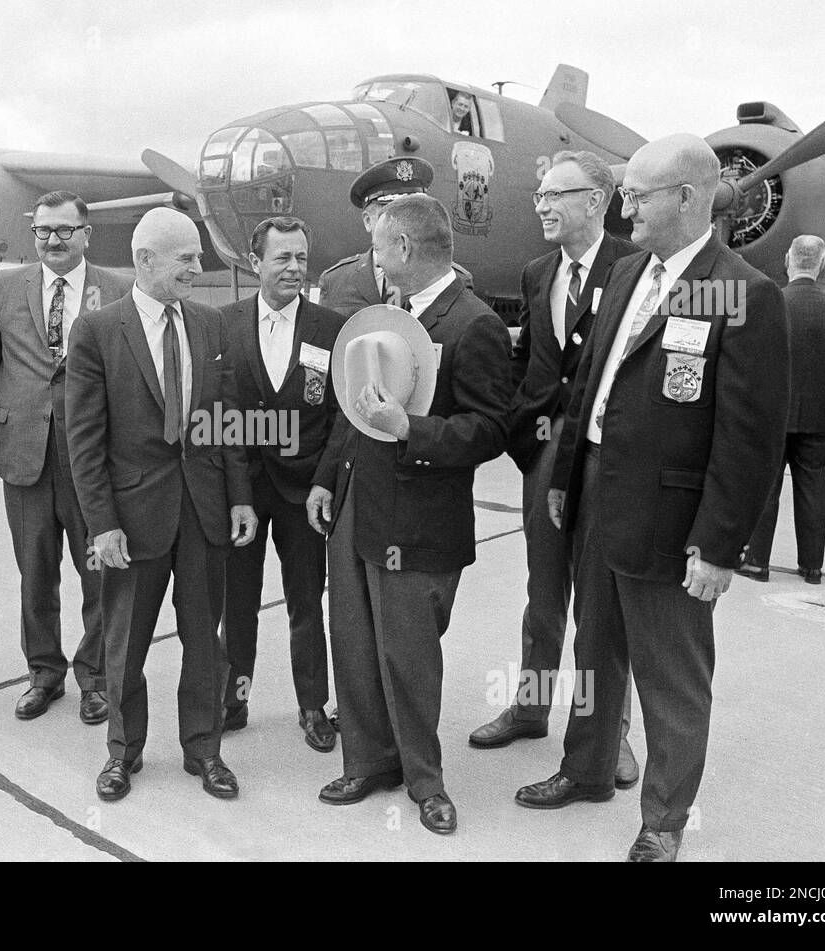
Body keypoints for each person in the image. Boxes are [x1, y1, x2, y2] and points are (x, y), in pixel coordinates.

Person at [517, 135, 789, 862]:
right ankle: (587, 767)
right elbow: (589, 392)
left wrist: (720, 544)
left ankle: (664, 820)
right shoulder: (629, 271)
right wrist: (567, 482)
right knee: (593, 647)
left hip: (675, 518)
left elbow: (750, 440)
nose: (625, 207)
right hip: (600, 489)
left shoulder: (740, 292)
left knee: (670, 675)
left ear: (690, 199)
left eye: (639, 195)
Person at [308, 194, 512, 835]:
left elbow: (490, 430)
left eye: (379, 245)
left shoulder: (471, 322)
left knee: (409, 656)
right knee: (355, 642)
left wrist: (411, 430)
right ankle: (369, 762)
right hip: (356, 506)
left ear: (402, 249)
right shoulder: (390, 316)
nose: (374, 257)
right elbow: (353, 408)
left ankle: (426, 781)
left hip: (420, 518)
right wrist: (324, 480)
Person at [66, 208, 257, 802]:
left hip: (203, 514)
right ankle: (124, 753)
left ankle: (204, 750)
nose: (199, 269)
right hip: (132, 518)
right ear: (145, 260)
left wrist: (241, 499)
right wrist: (102, 525)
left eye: (198, 258)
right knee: (125, 643)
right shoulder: (98, 330)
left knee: (206, 641)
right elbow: (85, 440)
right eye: (188, 258)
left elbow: (223, 422)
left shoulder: (208, 325)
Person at [470, 150, 640, 789]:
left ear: (595, 200)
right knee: (543, 597)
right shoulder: (538, 271)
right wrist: (525, 436)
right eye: (538, 195)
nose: (540, 205)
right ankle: (531, 706)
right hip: (546, 454)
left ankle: (609, 730)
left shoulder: (634, 266)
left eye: (554, 194)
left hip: (605, 460)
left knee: (602, 609)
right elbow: (532, 359)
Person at [0, 191, 131, 724]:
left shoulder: (119, 290)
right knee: (35, 572)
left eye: (64, 230)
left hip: (95, 459)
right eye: (43, 231)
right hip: (25, 455)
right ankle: (43, 674)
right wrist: (23, 404)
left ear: (87, 234)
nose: (53, 240)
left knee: (98, 573)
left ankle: (96, 678)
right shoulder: (5, 287)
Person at [218, 216, 345, 752]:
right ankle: (232, 697)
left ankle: (313, 705)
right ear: (255, 263)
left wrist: (323, 482)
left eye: (301, 257)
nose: (294, 268)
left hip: (304, 493)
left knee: (305, 602)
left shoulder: (331, 328)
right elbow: (218, 415)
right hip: (243, 491)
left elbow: (341, 417)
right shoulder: (220, 325)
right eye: (282, 258)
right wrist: (237, 494)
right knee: (237, 601)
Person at [738, 236, 825, 584]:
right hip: (819, 412)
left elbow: (751, 357)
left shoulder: (764, 301)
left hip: (771, 413)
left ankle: (757, 561)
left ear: (788, 259)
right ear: (821, 263)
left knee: (765, 487)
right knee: (814, 487)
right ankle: (812, 567)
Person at [317, 158, 471, 316]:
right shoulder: (336, 281)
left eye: (411, 214)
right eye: (390, 214)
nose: (402, 223)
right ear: (368, 221)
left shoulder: (452, 279)